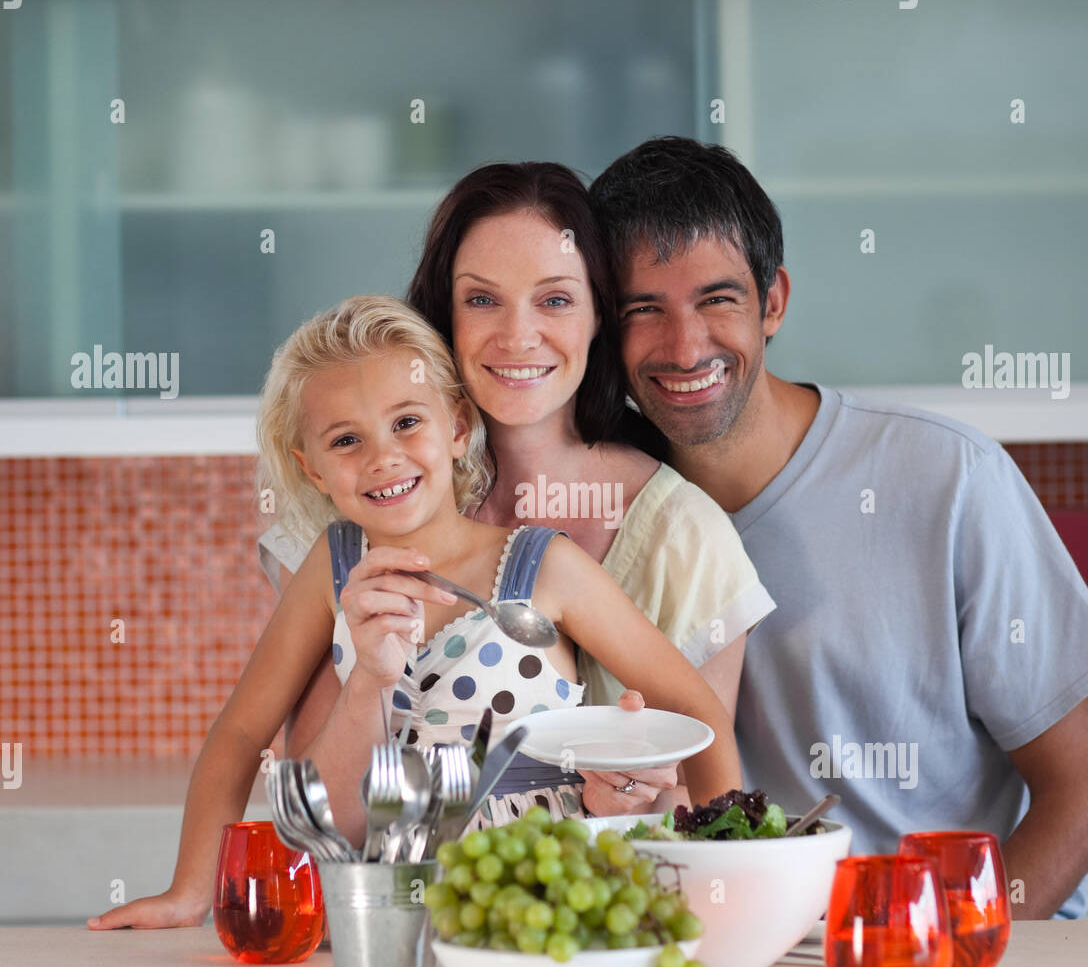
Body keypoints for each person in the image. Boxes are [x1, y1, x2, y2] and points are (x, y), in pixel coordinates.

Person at [589, 135, 1088, 920]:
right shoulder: (602, 517)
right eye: (643, 309)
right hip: (735, 963)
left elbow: (1081, 799)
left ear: (772, 300)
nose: (683, 346)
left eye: (717, 299)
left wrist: (938, 954)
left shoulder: (948, 478)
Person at [89, 296, 741, 931]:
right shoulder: (333, 566)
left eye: (406, 422)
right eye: (345, 440)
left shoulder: (544, 566)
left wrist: (727, 871)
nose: (382, 457)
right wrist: (189, 891)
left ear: (457, 427)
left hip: (536, 902)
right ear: (311, 470)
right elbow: (238, 734)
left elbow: (695, 709)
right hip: (378, 917)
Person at [259, 163, 774, 817]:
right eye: (480, 299)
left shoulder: (686, 539)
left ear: (598, 317)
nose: (516, 335)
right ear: (442, 313)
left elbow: (696, 782)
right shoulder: (363, 503)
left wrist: (639, 800)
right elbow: (312, 794)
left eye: (555, 299)